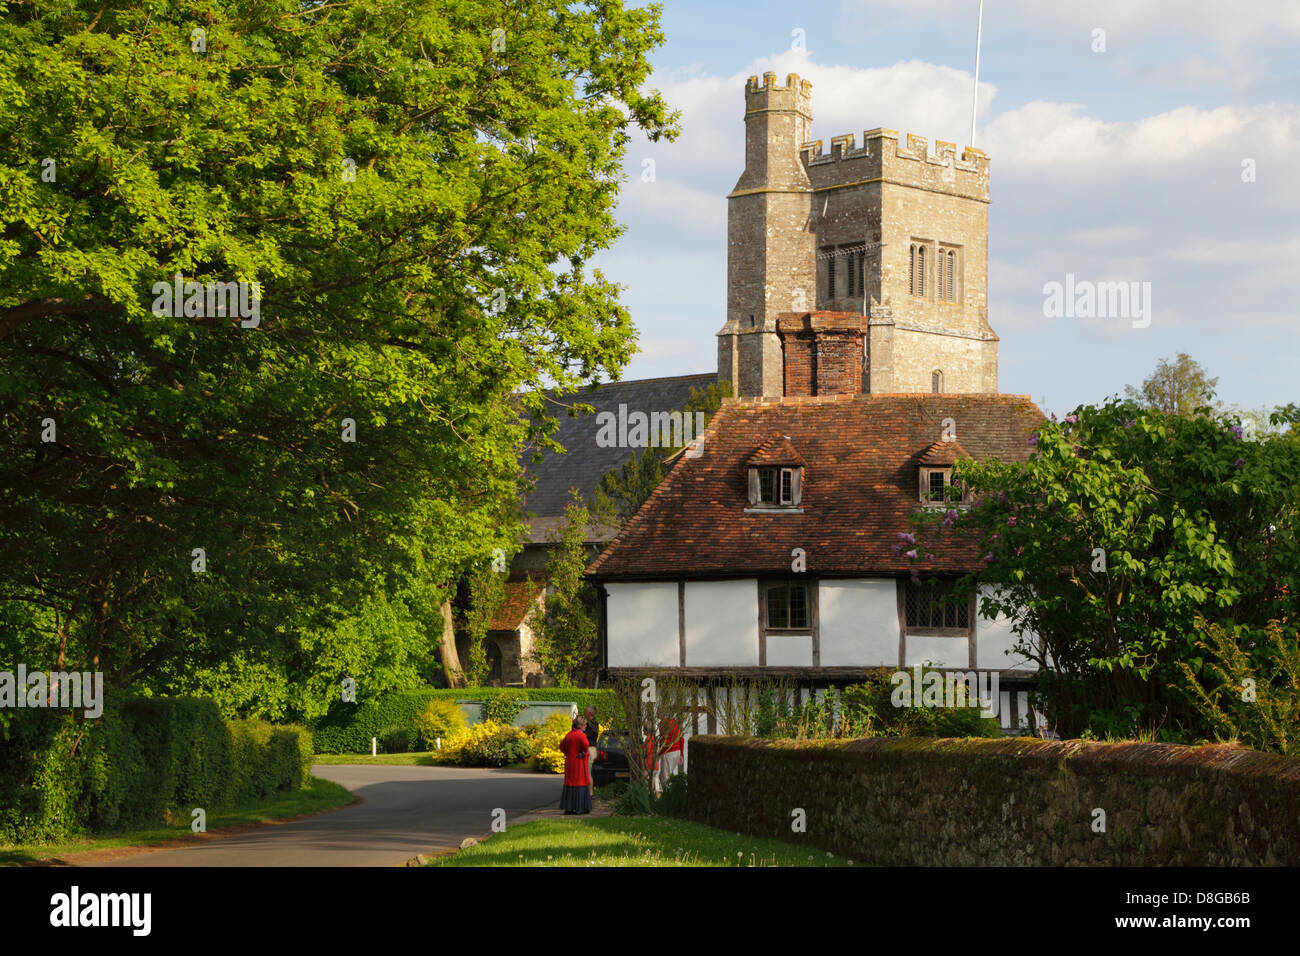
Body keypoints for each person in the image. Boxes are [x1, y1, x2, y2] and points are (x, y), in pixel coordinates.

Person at [559, 716, 592, 815]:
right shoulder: (581, 735)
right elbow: (586, 746)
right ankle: (580, 807)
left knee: (570, 783)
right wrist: (583, 753)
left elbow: (562, 746)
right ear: (580, 725)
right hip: (578, 763)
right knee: (580, 782)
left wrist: (568, 753)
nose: (586, 726)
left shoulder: (569, 734)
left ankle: (569, 808)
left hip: (569, 762)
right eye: (585, 724)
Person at [657, 714, 684, 792]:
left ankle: (667, 797)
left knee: (665, 777)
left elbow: (664, 742)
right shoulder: (675, 722)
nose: (657, 713)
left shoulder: (663, 723)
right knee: (667, 775)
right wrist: (681, 753)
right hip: (677, 751)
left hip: (668, 752)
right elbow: (681, 739)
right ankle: (669, 795)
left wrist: (658, 755)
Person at [582, 706, 600, 796]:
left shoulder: (592, 724)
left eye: (585, 711)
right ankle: (589, 792)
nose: (584, 713)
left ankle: (590, 793)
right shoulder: (592, 723)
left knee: (588, 772)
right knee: (587, 772)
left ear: (589, 713)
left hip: (590, 748)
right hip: (591, 748)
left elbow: (586, 735)